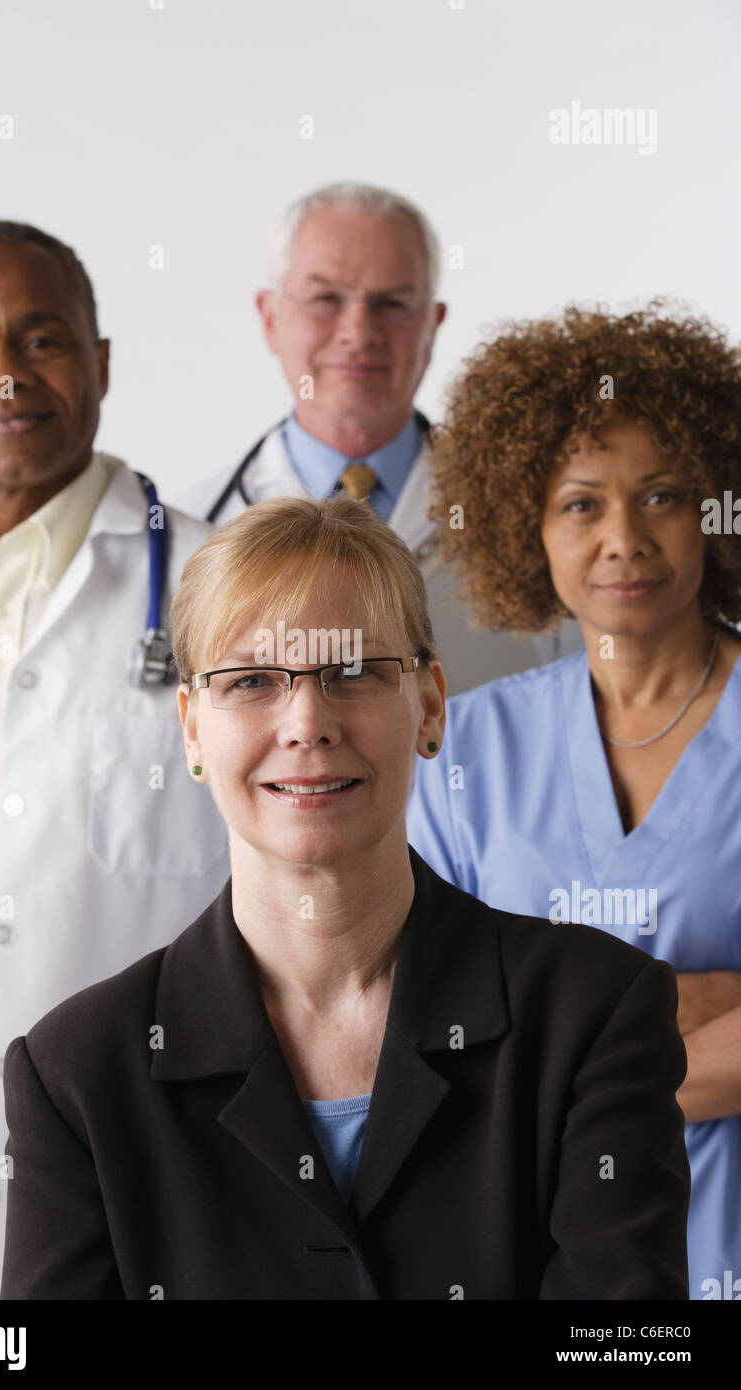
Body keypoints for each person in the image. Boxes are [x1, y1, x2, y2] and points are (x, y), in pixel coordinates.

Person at [0, 493, 688, 1300]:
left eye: (353, 672)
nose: (307, 722)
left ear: (430, 706)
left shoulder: (594, 1012)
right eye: (253, 680)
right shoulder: (74, 1073)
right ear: (191, 728)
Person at [0, 221, 229, 1300]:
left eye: (41, 339)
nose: (4, 376)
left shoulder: (222, 579)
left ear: (103, 360)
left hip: (164, 1140)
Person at [405, 300, 741, 1300]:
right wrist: (690, 1011)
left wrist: (561, 1063)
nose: (622, 536)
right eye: (580, 503)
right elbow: (418, 1032)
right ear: (527, 526)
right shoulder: (464, 750)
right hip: (530, 1258)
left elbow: (496, 1057)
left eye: (662, 495)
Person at [176, 181, 580, 690]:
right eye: (325, 298)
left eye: (391, 303)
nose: (358, 331)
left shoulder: (525, 521)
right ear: (270, 317)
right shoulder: (191, 533)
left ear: (432, 326)